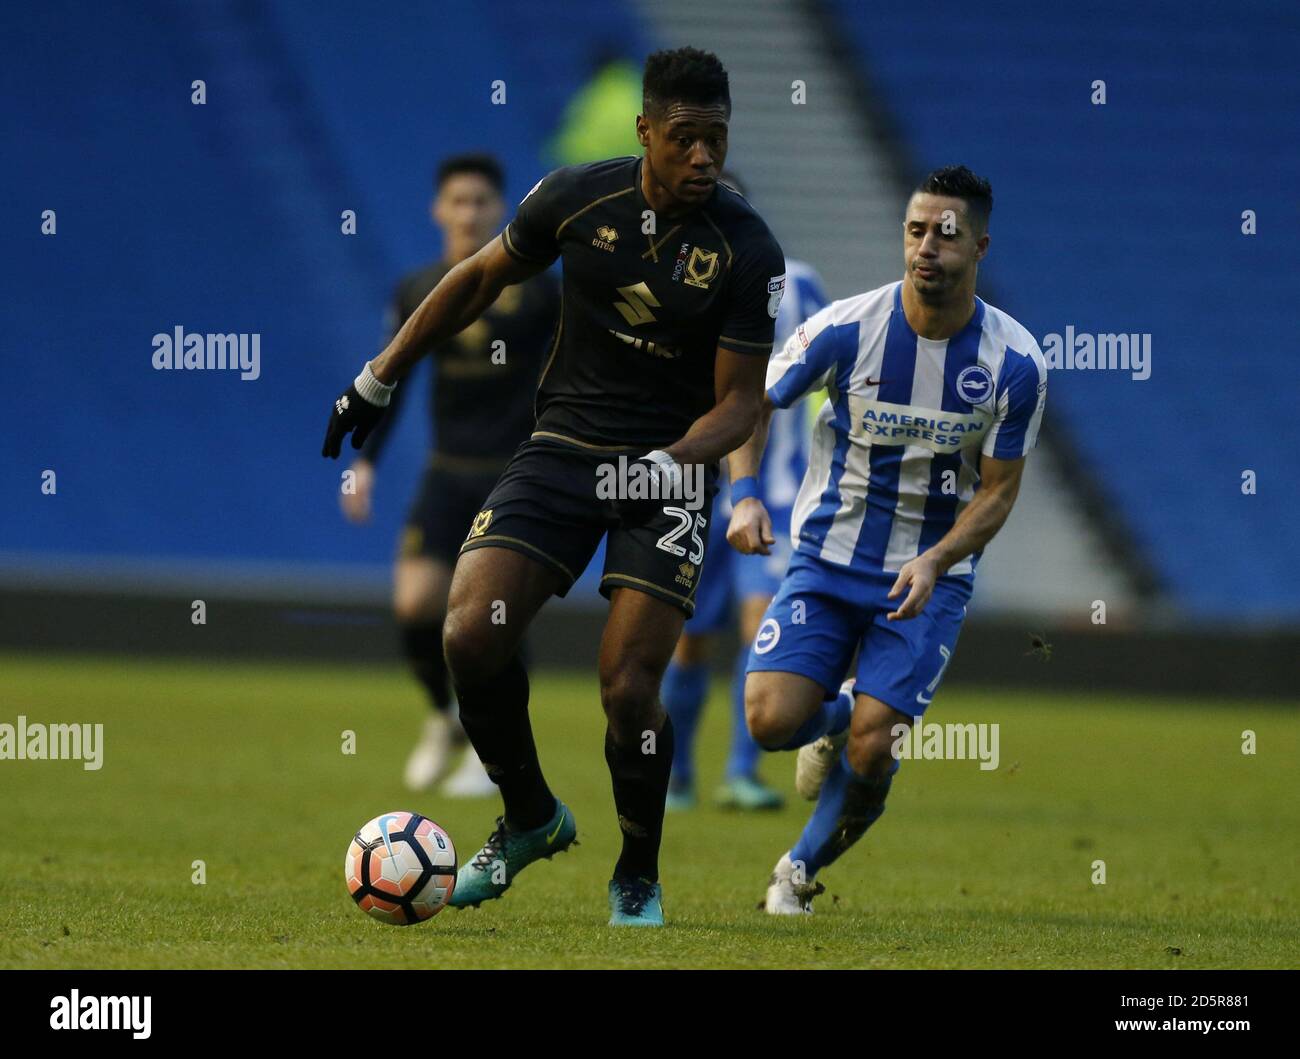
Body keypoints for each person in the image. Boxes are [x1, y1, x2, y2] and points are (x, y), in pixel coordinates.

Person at [322, 48, 786, 926]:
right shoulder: (576, 198)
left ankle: (638, 871)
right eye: (684, 139)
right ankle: (532, 814)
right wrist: (379, 374)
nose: (703, 159)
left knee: (626, 686)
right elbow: (477, 280)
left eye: (716, 140)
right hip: (563, 449)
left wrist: (673, 465)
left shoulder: (747, 249)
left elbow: (738, 407)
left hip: (668, 472)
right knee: (467, 632)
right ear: (646, 131)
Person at [725, 166, 1047, 913]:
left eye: (946, 234)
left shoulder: (1016, 362)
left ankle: (797, 873)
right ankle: (835, 714)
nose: (926, 247)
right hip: (828, 559)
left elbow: (999, 490)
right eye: (914, 230)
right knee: (771, 721)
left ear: (980, 246)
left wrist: (937, 559)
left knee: (876, 747)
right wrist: (743, 497)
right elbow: (751, 403)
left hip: (929, 577)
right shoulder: (847, 327)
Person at [339, 154, 558, 796]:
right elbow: (392, 380)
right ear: (439, 210)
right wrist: (366, 462)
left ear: (501, 209)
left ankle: (490, 756)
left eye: (481, 203)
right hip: (447, 472)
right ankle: (443, 717)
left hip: (514, 475)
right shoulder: (418, 289)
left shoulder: (541, 290)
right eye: (457, 202)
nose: (469, 213)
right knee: (415, 604)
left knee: (494, 620)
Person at [661, 170, 829, 812]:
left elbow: (831, 377)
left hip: (777, 491)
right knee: (690, 638)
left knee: (762, 631)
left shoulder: (799, 285)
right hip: (695, 493)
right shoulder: (675, 289)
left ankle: (740, 771)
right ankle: (674, 775)